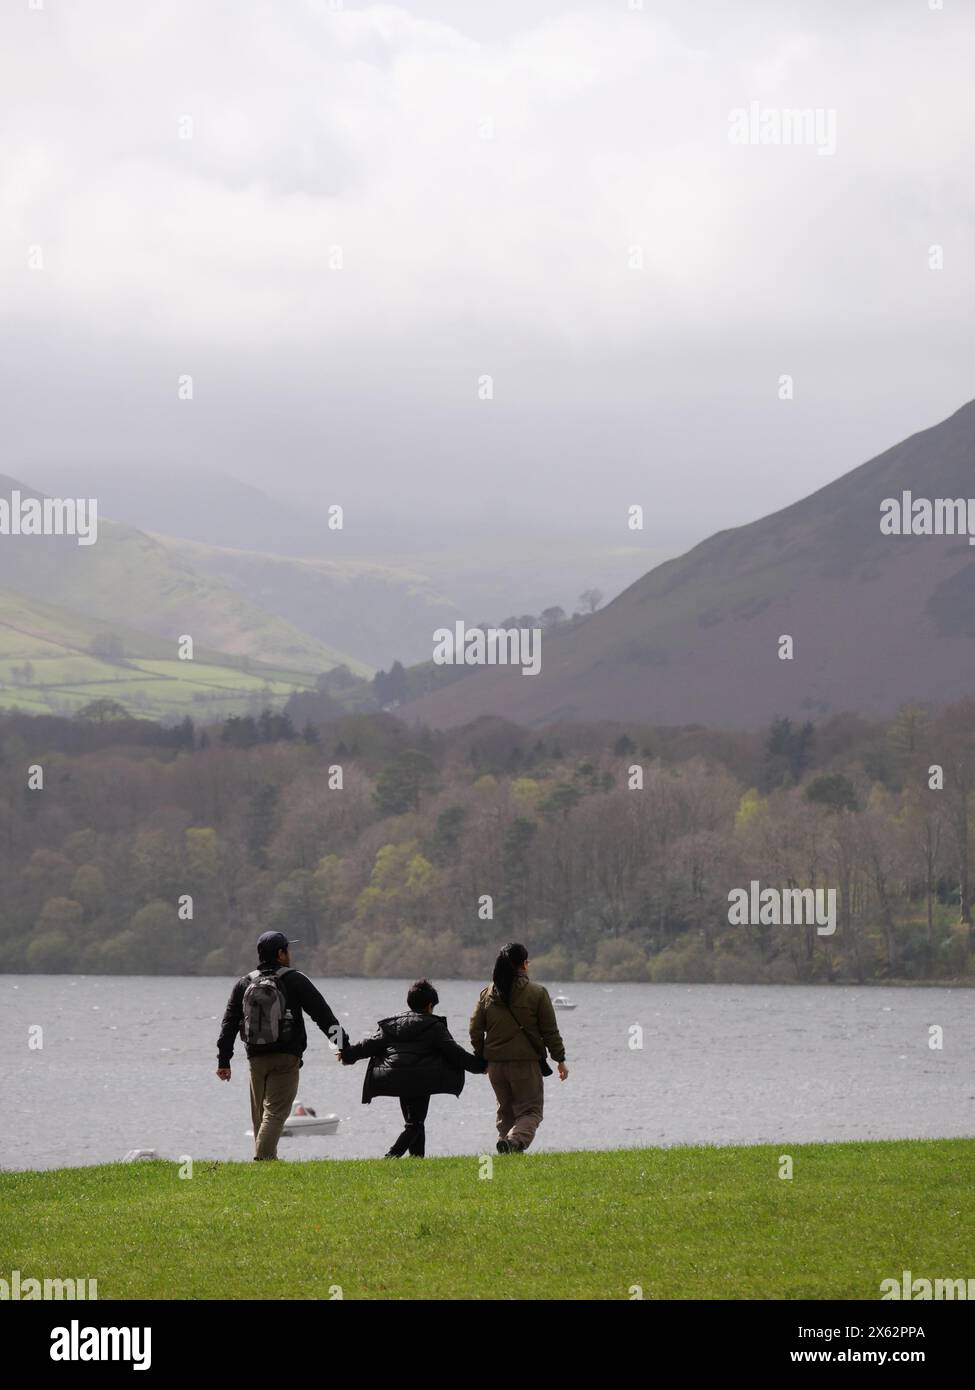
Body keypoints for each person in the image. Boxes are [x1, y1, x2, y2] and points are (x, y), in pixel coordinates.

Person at [216, 931, 348, 1160]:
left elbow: (228, 1024)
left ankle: (266, 1161)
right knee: (275, 1113)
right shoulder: (295, 979)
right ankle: (264, 1160)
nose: (290, 954)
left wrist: (224, 1060)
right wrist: (342, 1046)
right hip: (286, 1057)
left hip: (256, 1058)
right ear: (280, 953)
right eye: (287, 949)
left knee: (260, 1116)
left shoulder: (244, 983)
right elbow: (324, 1016)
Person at [340, 979, 486, 1157]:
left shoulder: (391, 1025)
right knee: (415, 1123)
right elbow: (456, 1054)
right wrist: (481, 1066)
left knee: (414, 1121)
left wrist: (348, 1055)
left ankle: (417, 1160)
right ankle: (391, 1157)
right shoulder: (434, 1026)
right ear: (430, 1005)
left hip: (396, 1077)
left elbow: (367, 1045)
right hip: (422, 1079)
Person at [469, 942, 568, 1154]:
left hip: (495, 1066)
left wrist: (482, 1058)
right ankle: (513, 1142)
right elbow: (550, 1031)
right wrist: (560, 1059)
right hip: (525, 1065)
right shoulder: (537, 993)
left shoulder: (487, 993)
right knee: (531, 1111)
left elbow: (474, 1030)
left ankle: (506, 1150)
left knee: (506, 1112)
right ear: (523, 964)